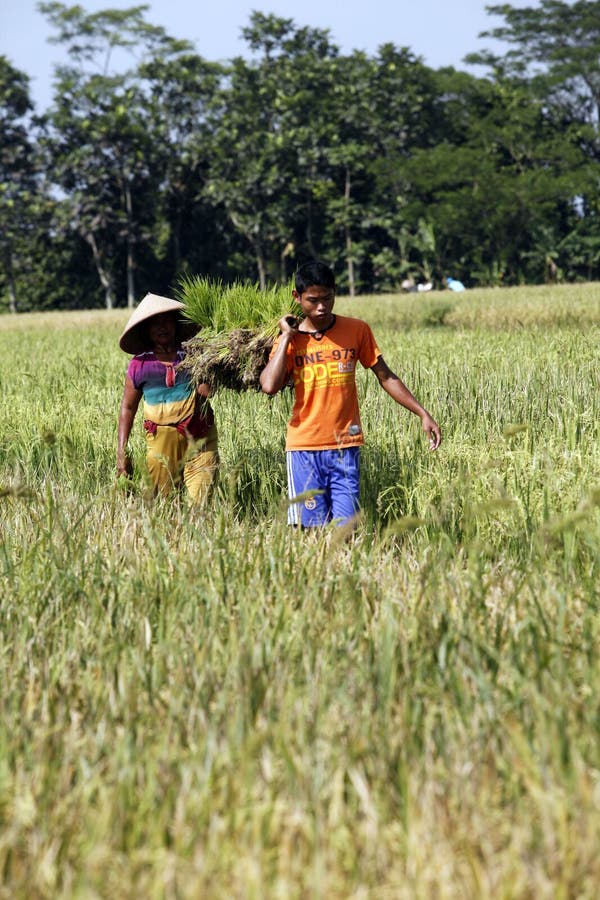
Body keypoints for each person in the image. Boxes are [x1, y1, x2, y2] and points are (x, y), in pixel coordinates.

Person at [259, 261, 441, 528]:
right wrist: (286, 336)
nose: (321, 307)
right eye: (312, 300)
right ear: (296, 298)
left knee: (346, 529)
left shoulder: (357, 330)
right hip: (304, 448)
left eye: (327, 298)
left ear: (335, 292)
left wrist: (422, 413)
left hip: (345, 447)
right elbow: (269, 385)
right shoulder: (291, 339)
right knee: (310, 532)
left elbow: (386, 376)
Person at [117, 293, 218, 502]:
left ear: (176, 324)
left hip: (200, 438)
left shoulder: (193, 354)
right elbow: (127, 408)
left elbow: (206, 392)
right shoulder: (140, 365)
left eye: (166, 321)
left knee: (200, 504)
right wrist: (121, 450)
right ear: (147, 330)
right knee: (164, 505)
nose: (162, 327)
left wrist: (207, 359)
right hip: (161, 443)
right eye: (155, 324)